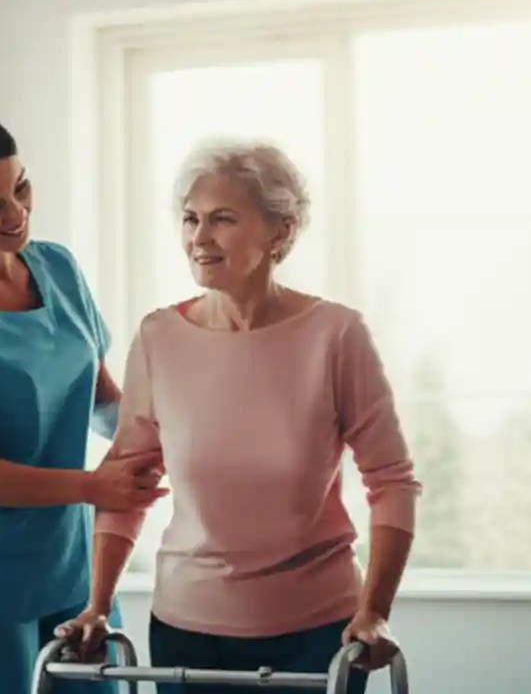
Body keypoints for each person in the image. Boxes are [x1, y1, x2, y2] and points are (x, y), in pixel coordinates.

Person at [55, 140, 422, 694]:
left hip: (315, 631)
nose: (199, 238)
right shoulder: (159, 337)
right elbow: (127, 479)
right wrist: (98, 605)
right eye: (190, 219)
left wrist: (374, 610)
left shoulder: (336, 336)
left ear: (282, 231)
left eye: (222, 219)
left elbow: (393, 482)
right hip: (185, 630)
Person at [0, 104, 167, 694]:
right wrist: (96, 487)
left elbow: (100, 402)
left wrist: (176, 434)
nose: (17, 215)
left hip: (70, 569)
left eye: (20, 188)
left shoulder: (58, 267)